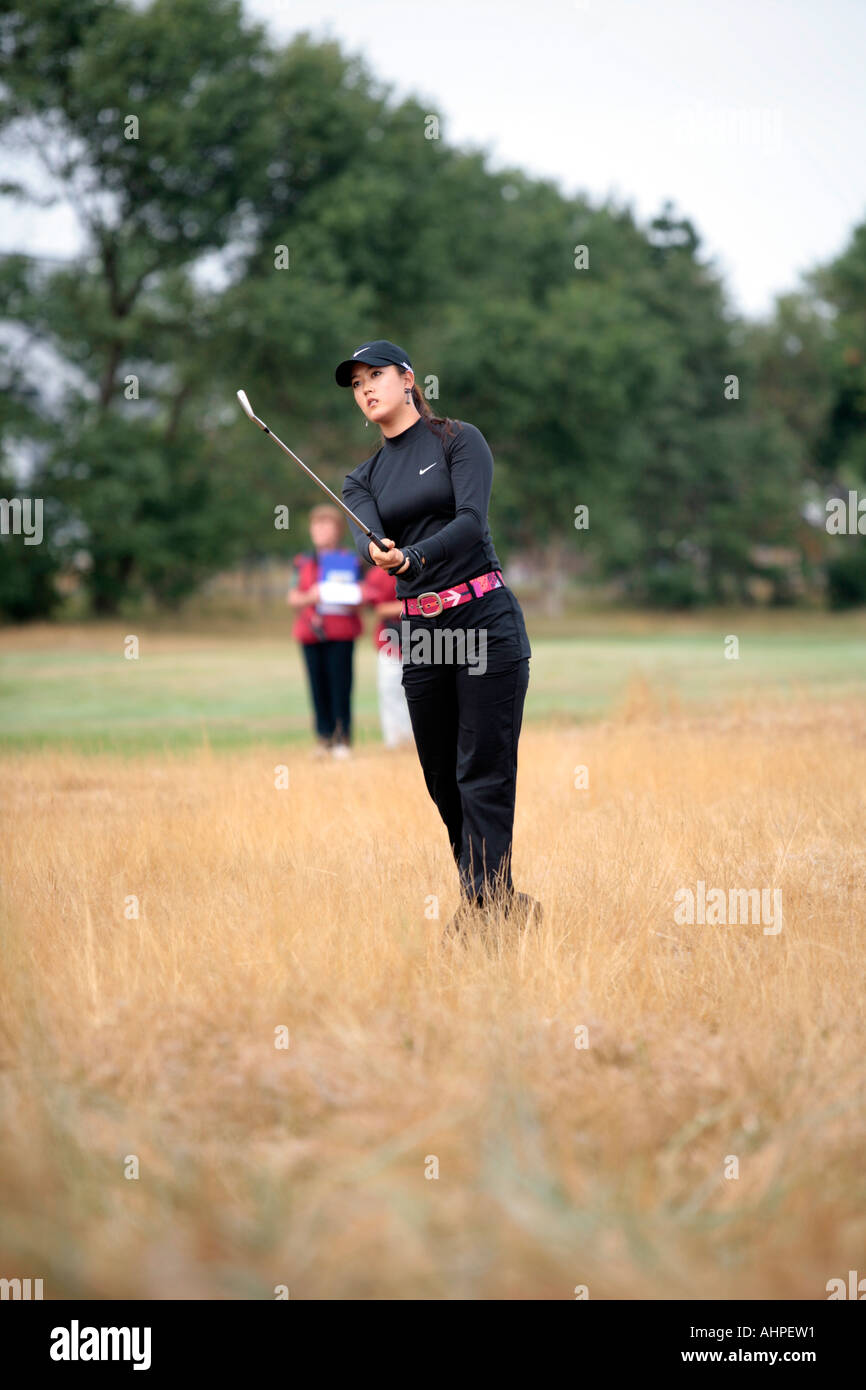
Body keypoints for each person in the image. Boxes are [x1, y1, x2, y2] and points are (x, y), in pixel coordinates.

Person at [336, 338, 542, 935]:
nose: (366, 389)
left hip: (482, 618)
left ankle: (483, 909)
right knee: (441, 778)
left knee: (483, 770)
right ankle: (498, 902)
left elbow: (471, 522)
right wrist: (380, 553)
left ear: (408, 379)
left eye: (375, 376)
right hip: (423, 633)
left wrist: (414, 556)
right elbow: (368, 539)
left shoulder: (457, 439)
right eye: (357, 384)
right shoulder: (361, 479)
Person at [287, 503, 362, 759]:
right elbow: (293, 597)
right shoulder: (302, 562)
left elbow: (363, 593)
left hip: (340, 631)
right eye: (316, 525)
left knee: (340, 685)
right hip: (310, 632)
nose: (319, 530)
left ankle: (343, 738)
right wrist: (310, 597)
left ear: (337, 530)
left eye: (325, 525)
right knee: (317, 687)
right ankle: (324, 737)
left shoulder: (350, 560)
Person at [361, 563, 414, 750]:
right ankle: (395, 740)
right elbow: (377, 607)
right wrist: (410, 606)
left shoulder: (425, 564)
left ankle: (416, 740)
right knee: (390, 690)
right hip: (392, 637)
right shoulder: (380, 572)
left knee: (421, 691)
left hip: (424, 636)